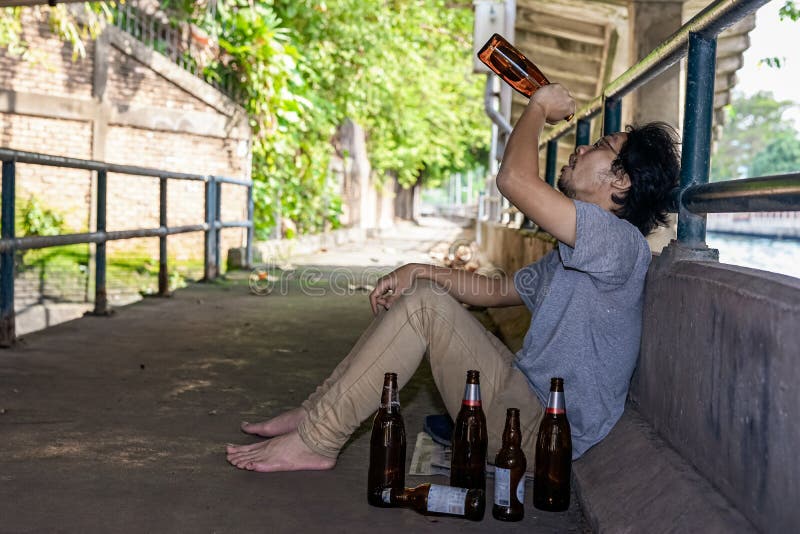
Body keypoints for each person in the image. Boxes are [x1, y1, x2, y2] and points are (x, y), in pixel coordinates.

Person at [225, 84, 681, 472]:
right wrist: (418, 270)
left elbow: (515, 180)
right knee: (424, 294)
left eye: (599, 147)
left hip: (546, 434)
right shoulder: (575, 249)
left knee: (426, 307)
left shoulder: (618, 243)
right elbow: (496, 292)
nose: (580, 147)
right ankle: (314, 414)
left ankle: (317, 439)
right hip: (524, 405)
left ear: (621, 183)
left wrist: (538, 106)